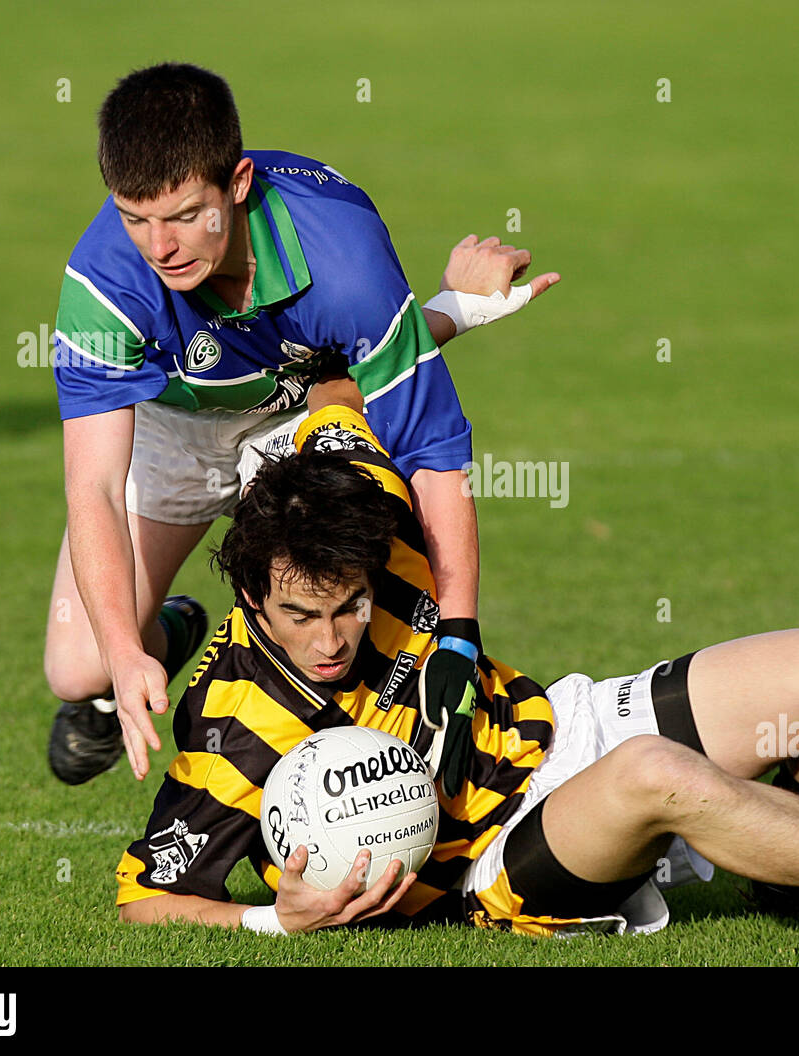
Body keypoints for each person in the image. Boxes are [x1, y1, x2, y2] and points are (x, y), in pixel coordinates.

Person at [114, 401, 799, 936]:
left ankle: (792, 880)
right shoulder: (227, 722)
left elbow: (343, 378)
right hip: (494, 866)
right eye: (303, 616)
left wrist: (453, 307)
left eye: (350, 607)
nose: (334, 637)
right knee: (657, 773)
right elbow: (143, 898)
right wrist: (274, 918)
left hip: (567, 727)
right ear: (251, 598)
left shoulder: (365, 522)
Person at [45, 63, 558, 786]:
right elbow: (94, 485)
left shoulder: (343, 260)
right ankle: (174, 630)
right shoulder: (104, 282)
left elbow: (433, 451)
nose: (160, 247)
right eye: (137, 218)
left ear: (239, 181)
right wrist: (130, 657)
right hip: (176, 424)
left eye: (188, 215)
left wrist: (460, 635)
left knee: (313, 612)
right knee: (78, 668)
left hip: (303, 416)